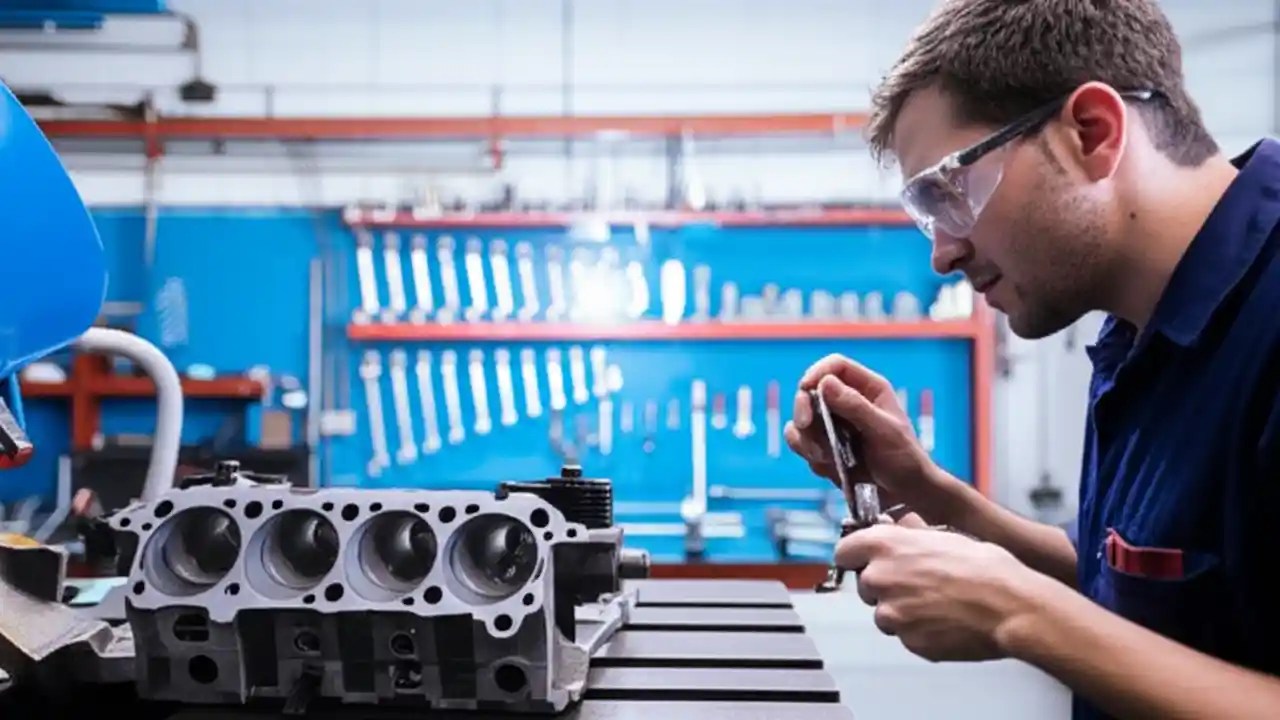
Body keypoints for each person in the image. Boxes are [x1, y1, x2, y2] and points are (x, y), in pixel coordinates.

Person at [784, 1, 1280, 718]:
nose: (942, 252)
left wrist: (1019, 616)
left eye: (950, 191)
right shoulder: (1136, 334)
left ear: (1093, 133)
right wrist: (926, 489)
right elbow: (1134, 583)